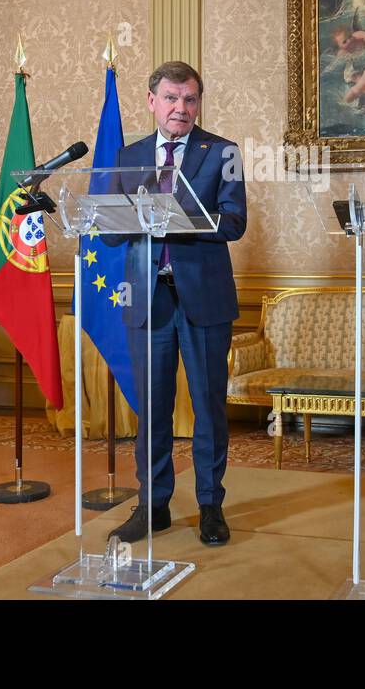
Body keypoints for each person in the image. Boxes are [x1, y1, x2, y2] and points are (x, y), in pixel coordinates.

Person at [104, 62, 247, 547]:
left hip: (204, 299)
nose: (180, 109)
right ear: (152, 101)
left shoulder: (223, 152)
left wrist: (174, 216)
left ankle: (210, 506)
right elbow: (111, 233)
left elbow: (233, 223)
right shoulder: (130, 155)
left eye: (189, 100)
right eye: (171, 98)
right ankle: (153, 506)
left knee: (209, 407)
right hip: (147, 300)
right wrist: (119, 219)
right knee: (153, 409)